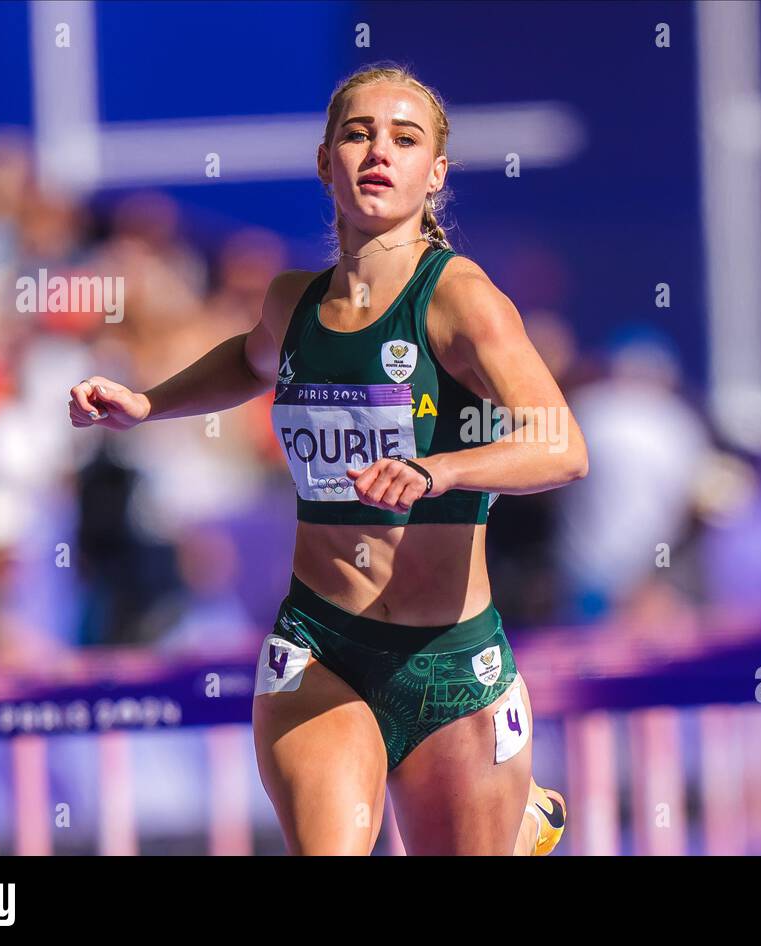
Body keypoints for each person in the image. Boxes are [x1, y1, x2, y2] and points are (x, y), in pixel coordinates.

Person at [68, 63, 586, 855]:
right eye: (358, 133)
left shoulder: (459, 299)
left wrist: (436, 469)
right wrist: (148, 404)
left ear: (434, 174)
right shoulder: (291, 303)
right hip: (320, 648)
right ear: (325, 162)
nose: (379, 150)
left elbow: (563, 446)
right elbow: (248, 360)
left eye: (404, 139)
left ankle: (518, 819)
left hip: (449, 663)